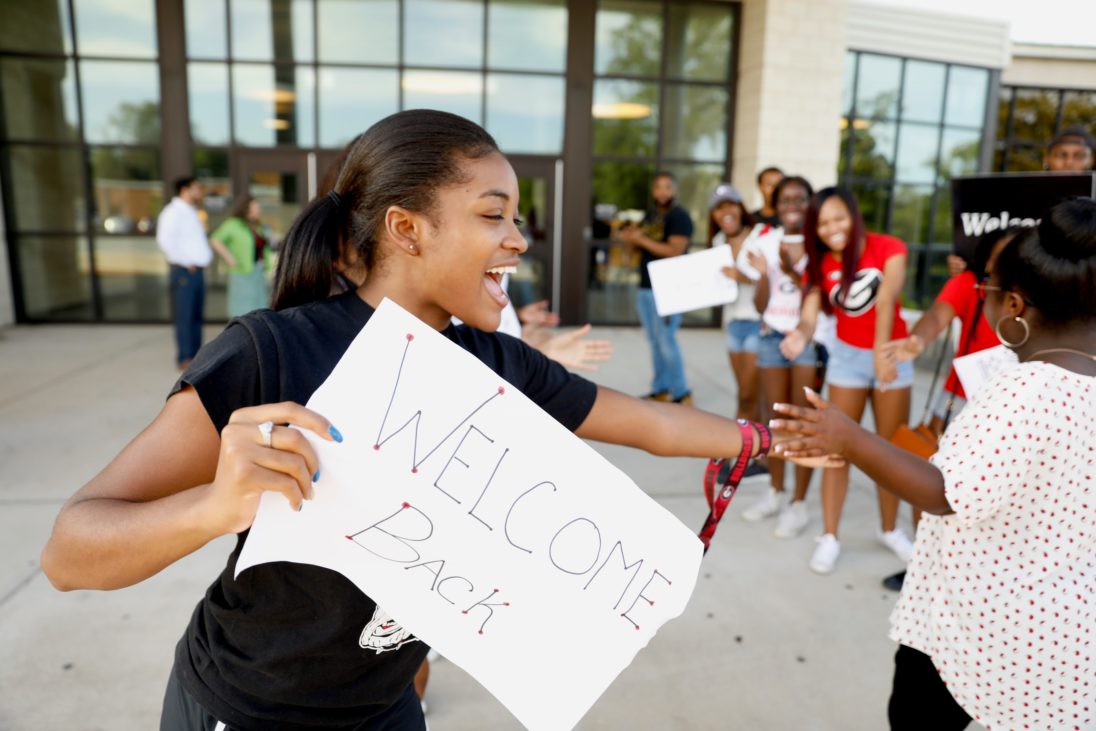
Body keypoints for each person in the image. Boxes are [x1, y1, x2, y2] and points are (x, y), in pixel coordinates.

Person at [40, 110, 831, 731]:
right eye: (494, 216)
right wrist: (214, 505)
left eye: (516, 218)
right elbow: (69, 551)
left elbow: (649, 425)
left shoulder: (494, 361)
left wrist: (769, 437)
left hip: (385, 707)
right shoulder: (273, 352)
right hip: (246, 707)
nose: (519, 239)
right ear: (407, 228)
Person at [771, 196, 1096, 731]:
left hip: (983, 626)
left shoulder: (1027, 387)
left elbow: (946, 493)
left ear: (1013, 305)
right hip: (1063, 628)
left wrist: (850, 438)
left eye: (987, 290)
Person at [877, 226, 1023, 591]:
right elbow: (938, 315)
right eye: (999, 257)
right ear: (985, 259)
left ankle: (976, 571)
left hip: (1017, 407)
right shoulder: (971, 283)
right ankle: (925, 564)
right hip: (961, 400)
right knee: (933, 482)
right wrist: (917, 341)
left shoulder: (1041, 293)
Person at [788, 187, 915, 574]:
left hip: (889, 353)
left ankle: (890, 529)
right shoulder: (820, 262)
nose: (832, 229)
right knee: (837, 448)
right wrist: (801, 333)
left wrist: (880, 354)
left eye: (838, 218)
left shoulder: (888, 247)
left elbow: (887, 298)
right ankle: (829, 536)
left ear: (854, 214)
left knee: (890, 449)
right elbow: (810, 314)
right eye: (823, 223)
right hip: (845, 359)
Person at [738, 176, 818, 535]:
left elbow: (820, 296)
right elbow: (759, 305)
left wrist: (788, 271)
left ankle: (798, 504)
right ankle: (775, 491)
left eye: (800, 199)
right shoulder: (766, 242)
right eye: (785, 199)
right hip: (771, 335)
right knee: (776, 420)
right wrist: (763, 276)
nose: (792, 205)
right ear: (776, 202)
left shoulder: (818, 243)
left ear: (809, 202)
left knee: (803, 421)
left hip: (807, 340)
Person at [618, 171, 695, 405]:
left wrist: (640, 239)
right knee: (654, 341)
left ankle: (682, 393)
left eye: (667, 187)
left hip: (669, 289)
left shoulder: (680, 217)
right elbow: (632, 253)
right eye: (658, 188)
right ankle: (661, 388)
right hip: (645, 287)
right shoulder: (650, 217)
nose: (663, 192)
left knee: (666, 340)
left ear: (675, 190)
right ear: (653, 191)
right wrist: (628, 242)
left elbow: (674, 250)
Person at [156, 176, 211, 369]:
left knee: (196, 315)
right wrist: (186, 263)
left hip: (196, 271)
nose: (199, 191)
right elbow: (165, 241)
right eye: (196, 188)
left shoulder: (192, 211)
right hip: (185, 272)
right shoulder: (173, 212)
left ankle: (195, 357)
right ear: (185, 190)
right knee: (185, 316)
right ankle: (185, 358)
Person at [209, 195, 276, 318]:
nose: (259, 210)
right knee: (242, 307)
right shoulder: (233, 224)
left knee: (259, 304)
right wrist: (229, 258)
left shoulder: (259, 226)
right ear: (247, 208)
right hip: (242, 271)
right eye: (256, 207)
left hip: (258, 269)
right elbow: (215, 239)